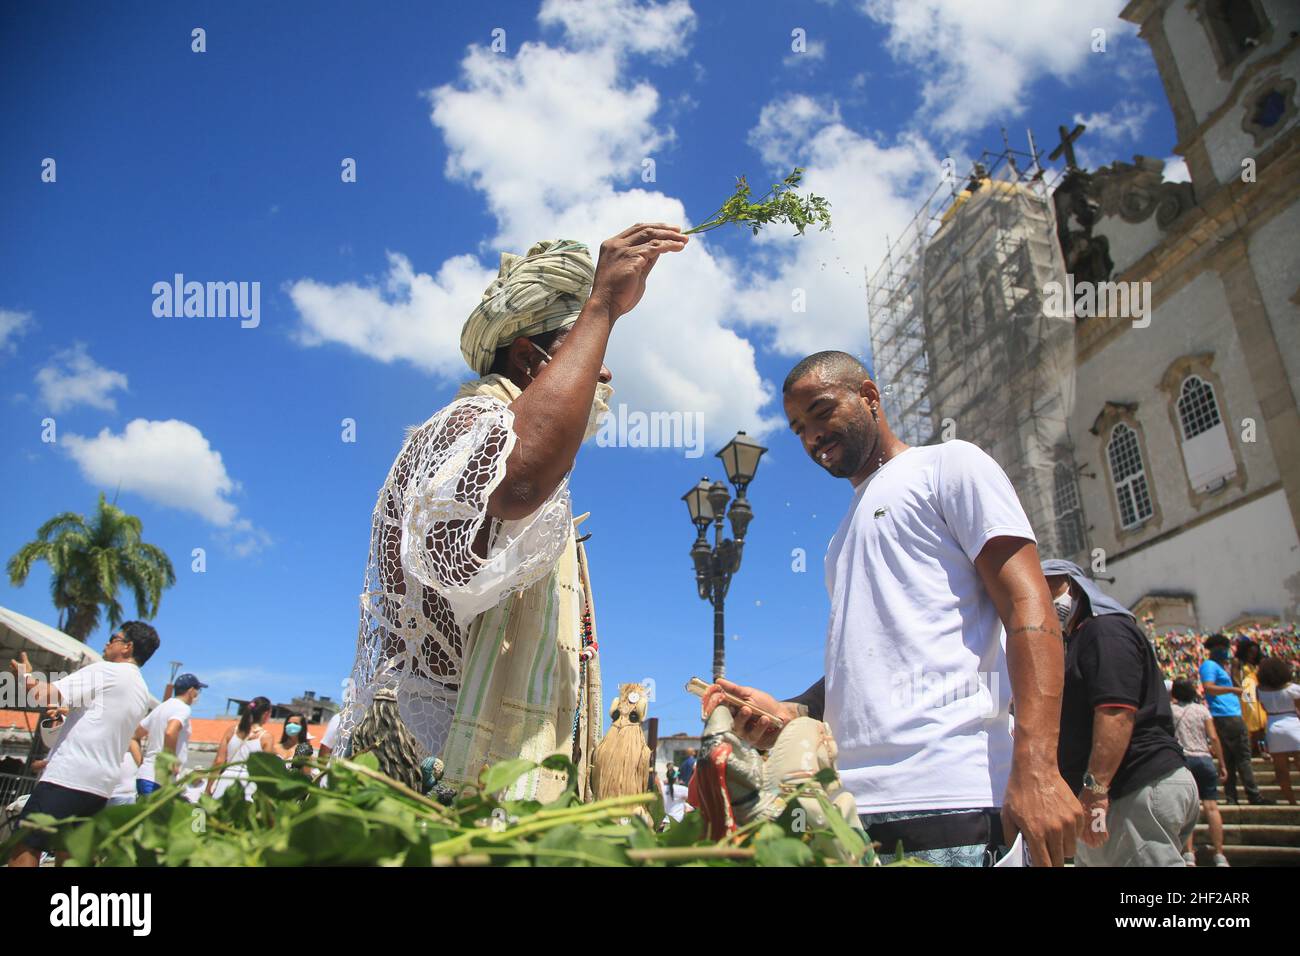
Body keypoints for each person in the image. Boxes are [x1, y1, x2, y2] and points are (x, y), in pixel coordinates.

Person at [345, 224, 687, 802]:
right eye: (588, 350)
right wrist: (601, 305)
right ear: (530, 357)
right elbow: (519, 482)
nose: (603, 373)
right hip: (438, 759)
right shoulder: (470, 422)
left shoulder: (483, 428)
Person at [703, 351, 1084, 867]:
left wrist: (1039, 765)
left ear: (869, 396)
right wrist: (792, 710)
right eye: (797, 429)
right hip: (850, 814)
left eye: (821, 411)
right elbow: (864, 657)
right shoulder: (838, 541)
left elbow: (1027, 604)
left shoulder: (948, 465)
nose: (811, 436)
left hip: (951, 801)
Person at [1042, 559, 1196, 866]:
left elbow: (1116, 712)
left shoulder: (1104, 630)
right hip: (1120, 792)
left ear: (1072, 588)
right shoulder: (1082, 637)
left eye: (1049, 591)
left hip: (1132, 785)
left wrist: (1095, 790)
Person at [6, 621, 159, 867]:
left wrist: (25, 676)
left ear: (127, 647)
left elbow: (45, 694)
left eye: (114, 637)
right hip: (101, 787)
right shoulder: (141, 690)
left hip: (68, 778)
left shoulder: (105, 671)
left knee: (26, 845)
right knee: (71, 857)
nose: (108, 642)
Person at [1200, 634, 1272, 805]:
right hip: (1227, 714)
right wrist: (1235, 690)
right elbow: (1209, 687)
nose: (1227, 652)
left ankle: (1232, 797)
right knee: (1243, 757)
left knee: (1231, 759)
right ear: (1216, 648)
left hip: (1226, 714)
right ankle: (1253, 795)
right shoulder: (1210, 666)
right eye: (1224, 648)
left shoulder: (1218, 666)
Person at [1170, 678, 1229, 866]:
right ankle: (1219, 854)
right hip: (1204, 758)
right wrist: (1222, 763)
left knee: (1187, 810)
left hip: (1183, 760)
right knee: (1212, 807)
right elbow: (1213, 736)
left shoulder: (1171, 711)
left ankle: (1189, 854)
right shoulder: (1202, 710)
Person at [135, 673, 205, 796]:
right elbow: (170, 732)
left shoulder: (161, 707)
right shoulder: (183, 708)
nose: (198, 695)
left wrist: (141, 762)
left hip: (145, 775)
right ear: (191, 690)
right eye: (197, 690)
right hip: (159, 780)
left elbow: (135, 735)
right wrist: (171, 762)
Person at [208, 696, 274, 800]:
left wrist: (209, 787)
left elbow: (219, 761)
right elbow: (266, 770)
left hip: (225, 780)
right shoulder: (266, 738)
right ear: (266, 714)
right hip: (248, 784)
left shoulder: (231, 730)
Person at [1256, 656, 1300, 805]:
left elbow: (1262, 707)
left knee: (1281, 770)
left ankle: (1292, 801)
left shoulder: (1260, 690)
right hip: (1294, 724)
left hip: (1273, 726)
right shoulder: (1293, 689)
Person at [1233, 639, 1267, 755]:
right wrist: (1242, 691)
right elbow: (1234, 677)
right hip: (1246, 692)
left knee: (1260, 719)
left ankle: (1258, 748)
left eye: (1255, 652)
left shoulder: (1255, 664)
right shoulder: (1238, 662)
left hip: (1257, 692)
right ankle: (1250, 748)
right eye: (1250, 652)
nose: (1252, 655)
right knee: (1252, 719)